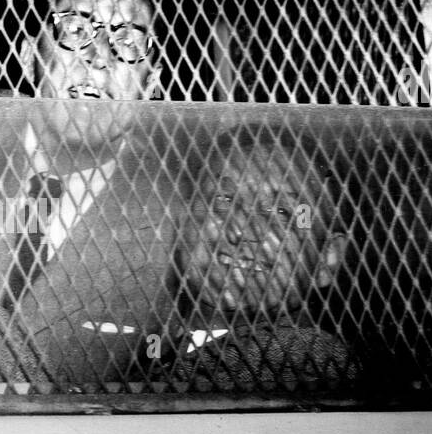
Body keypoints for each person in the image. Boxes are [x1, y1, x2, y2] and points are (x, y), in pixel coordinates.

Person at [0, 0, 182, 391]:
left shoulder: (178, 222)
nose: (98, 55)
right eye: (76, 28)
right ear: (30, 57)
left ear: (150, 85)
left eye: (128, 42)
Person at [149, 125, 362, 394]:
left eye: (283, 211)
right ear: (181, 222)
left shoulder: (302, 357)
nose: (241, 229)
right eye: (223, 199)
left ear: (327, 259)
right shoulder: (158, 338)